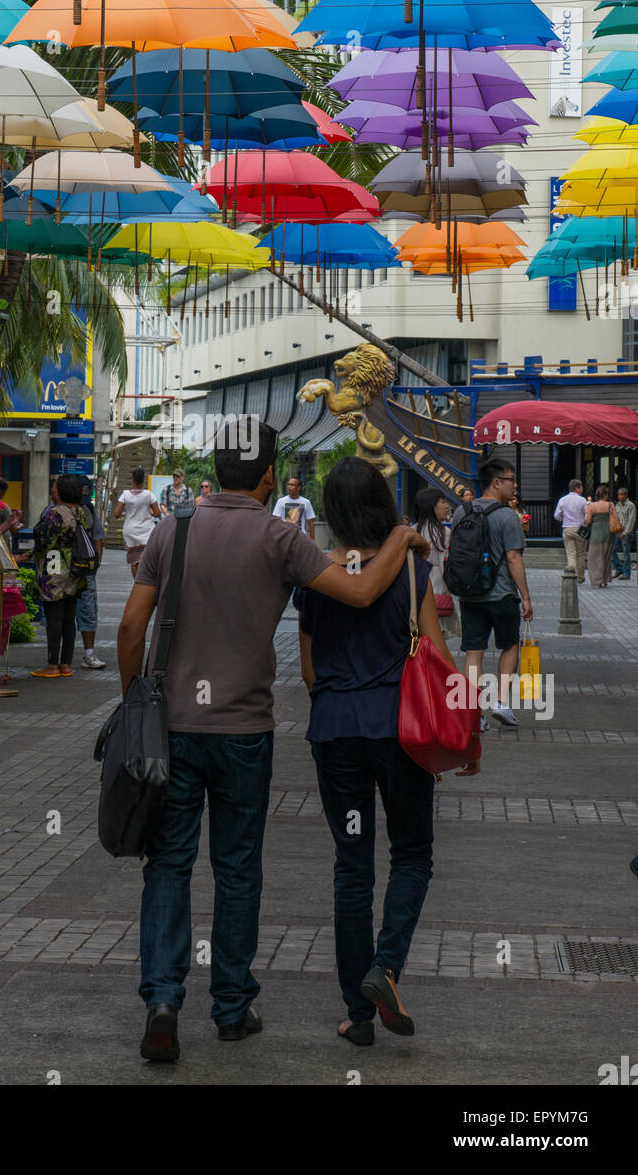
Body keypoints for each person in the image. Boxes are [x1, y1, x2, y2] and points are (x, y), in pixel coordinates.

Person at [117, 418, 429, 1064]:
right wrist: (401, 536)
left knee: (169, 865)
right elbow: (363, 587)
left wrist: (133, 702)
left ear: (214, 469)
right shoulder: (279, 537)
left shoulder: (171, 529)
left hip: (171, 729)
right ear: (266, 477)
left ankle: (163, 999)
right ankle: (231, 1008)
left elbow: (129, 625)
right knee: (235, 870)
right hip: (242, 732)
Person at [296, 459, 476, 1048]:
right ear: (381, 504)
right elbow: (443, 662)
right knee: (413, 855)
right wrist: (462, 737)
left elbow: (308, 669)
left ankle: (358, 1014)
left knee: (352, 868)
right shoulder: (412, 573)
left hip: (335, 732)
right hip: (400, 733)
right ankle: (387, 967)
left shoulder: (316, 573)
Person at [459, 458, 532, 729]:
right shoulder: (507, 516)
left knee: (473, 652)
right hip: (502, 595)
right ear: (496, 482)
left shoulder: (461, 511)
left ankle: (472, 714)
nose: (515, 485)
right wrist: (525, 596)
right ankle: (501, 702)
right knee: (510, 645)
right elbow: (513, 558)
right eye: (511, 479)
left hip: (469, 594)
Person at [30, 475, 91, 679]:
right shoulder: (80, 512)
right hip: (74, 570)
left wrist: (27, 555)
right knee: (68, 619)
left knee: (54, 618)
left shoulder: (55, 514)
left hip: (54, 569)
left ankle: (52, 665)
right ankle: (66, 664)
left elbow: (45, 544)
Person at [413, 486, 460, 638]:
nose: (447, 506)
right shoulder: (446, 534)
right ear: (431, 507)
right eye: (442, 502)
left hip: (415, 598)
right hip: (440, 597)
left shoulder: (412, 533)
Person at [76, 477, 107, 668]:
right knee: (61, 614)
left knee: (88, 610)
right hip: (64, 571)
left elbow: (98, 537)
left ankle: (89, 653)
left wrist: (96, 564)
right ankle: (59, 659)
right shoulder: (54, 511)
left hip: (85, 569)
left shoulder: (89, 509)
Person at [115, 467, 160, 578]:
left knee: (134, 560)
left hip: (130, 531)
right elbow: (158, 513)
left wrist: (129, 511)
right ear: (143, 480)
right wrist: (149, 512)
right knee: (146, 559)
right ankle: (146, 582)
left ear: (132, 479)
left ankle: (137, 583)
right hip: (147, 531)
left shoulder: (125, 495)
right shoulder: (149, 495)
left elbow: (117, 514)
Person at [554, 479, 587, 583]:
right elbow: (587, 514)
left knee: (571, 553)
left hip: (567, 528)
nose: (582, 489)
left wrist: (564, 519)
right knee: (581, 554)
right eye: (581, 487)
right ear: (577, 488)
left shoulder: (563, 500)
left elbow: (556, 515)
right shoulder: (582, 500)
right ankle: (580, 577)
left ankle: (571, 575)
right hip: (579, 528)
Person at [585, 484, 617, 588]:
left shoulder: (592, 506)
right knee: (606, 557)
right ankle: (605, 579)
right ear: (605, 495)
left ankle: (598, 580)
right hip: (609, 534)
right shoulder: (610, 505)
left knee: (595, 557)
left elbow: (587, 521)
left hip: (596, 534)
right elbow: (615, 519)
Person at [612, 486, 636, 581]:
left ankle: (627, 573)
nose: (620, 497)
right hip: (618, 531)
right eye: (618, 495)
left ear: (626, 495)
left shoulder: (630, 505)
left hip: (626, 532)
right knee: (612, 550)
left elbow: (631, 521)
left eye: (622, 495)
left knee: (626, 553)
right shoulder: (617, 505)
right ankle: (619, 569)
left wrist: (626, 532)